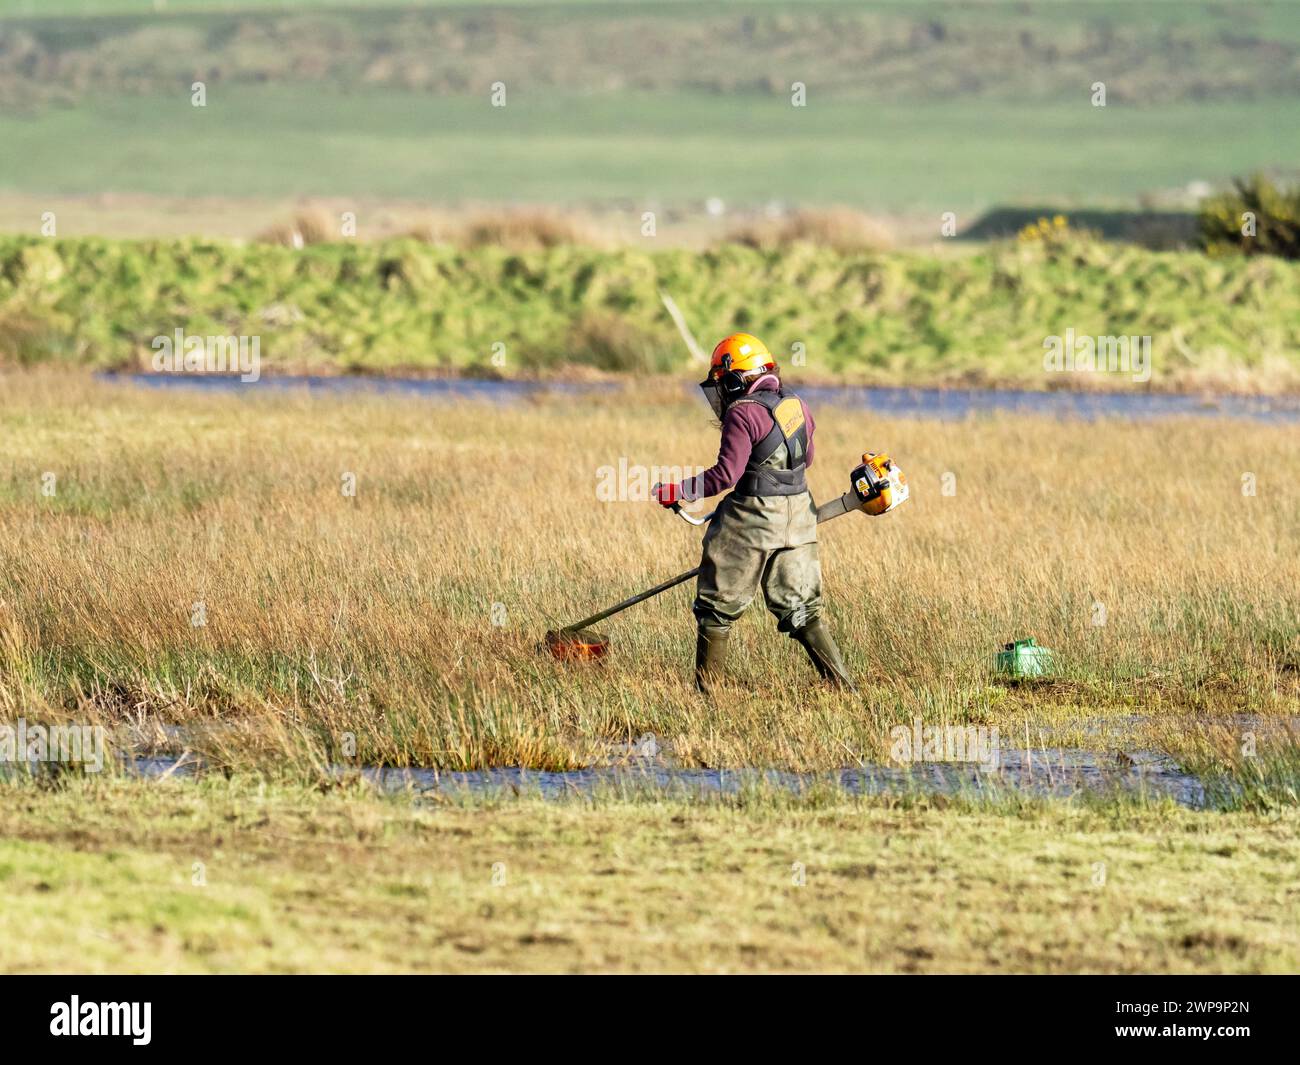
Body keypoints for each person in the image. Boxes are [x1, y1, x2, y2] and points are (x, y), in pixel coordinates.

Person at [652, 333, 853, 693]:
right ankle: (843, 686)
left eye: (721, 383)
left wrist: (678, 491)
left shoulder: (742, 412)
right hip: (800, 516)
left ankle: (708, 696)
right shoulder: (796, 404)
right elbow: (807, 460)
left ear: (733, 378)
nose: (720, 393)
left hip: (753, 518)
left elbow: (725, 476)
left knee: (716, 608)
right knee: (801, 609)